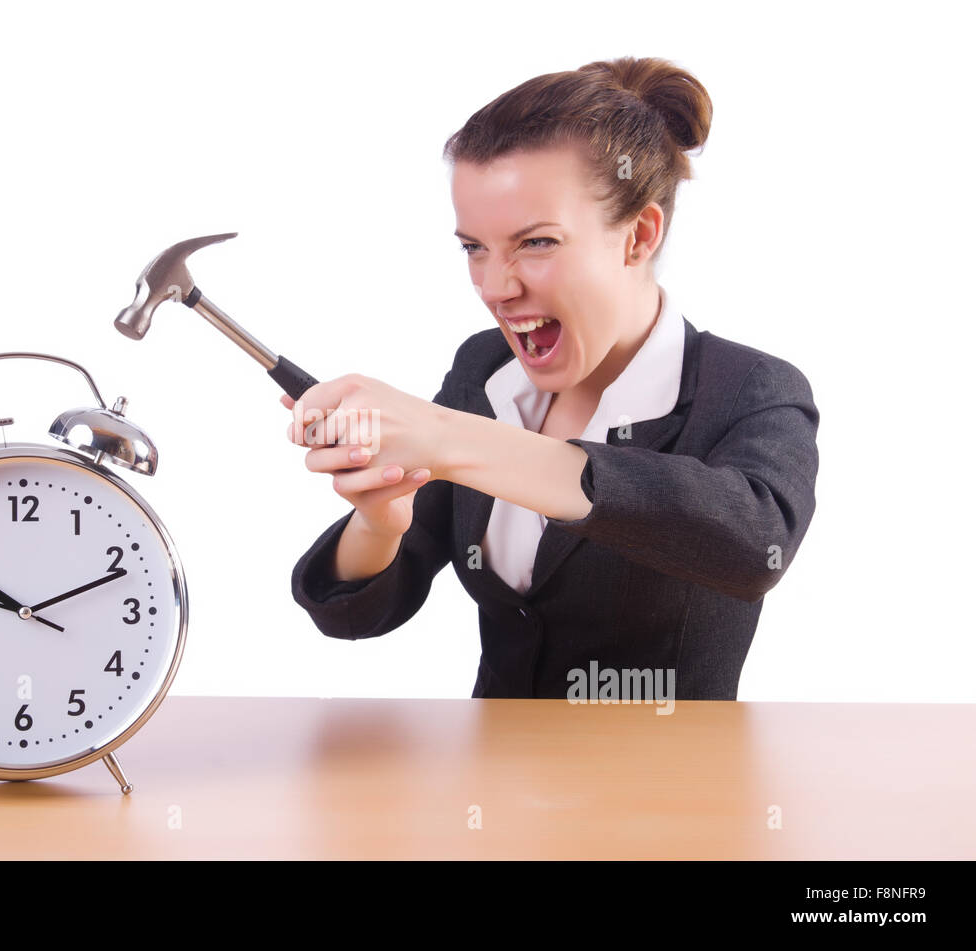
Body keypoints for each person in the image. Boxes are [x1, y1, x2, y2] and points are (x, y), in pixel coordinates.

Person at [282, 56, 819, 700]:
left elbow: (754, 545)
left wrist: (452, 440)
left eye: (536, 243)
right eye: (473, 247)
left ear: (639, 235)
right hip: (493, 783)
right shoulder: (484, 371)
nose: (494, 287)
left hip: (673, 791)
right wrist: (380, 523)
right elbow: (361, 611)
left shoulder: (750, 389)